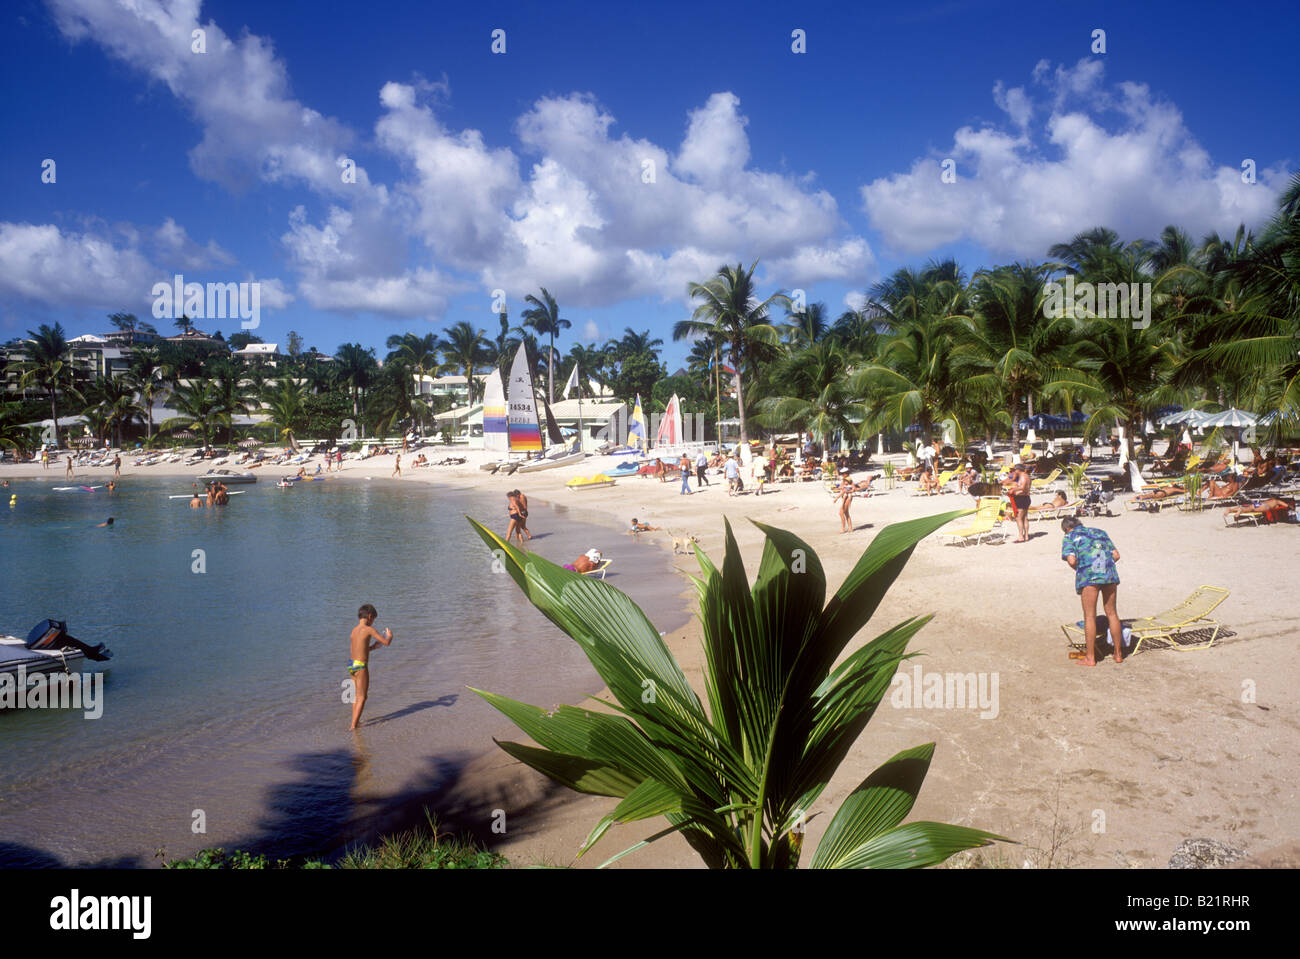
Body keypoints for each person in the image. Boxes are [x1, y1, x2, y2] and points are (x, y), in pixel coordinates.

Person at [1060, 516, 1123, 666]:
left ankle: (1090, 657)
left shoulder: (1069, 536)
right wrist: (1101, 566)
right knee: (1112, 613)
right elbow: (1116, 555)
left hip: (1089, 576)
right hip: (1109, 575)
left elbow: (1072, 561)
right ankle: (1118, 654)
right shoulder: (1100, 532)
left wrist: (1085, 569)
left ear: (1066, 529)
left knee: (1089, 616)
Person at [348, 603, 394, 730]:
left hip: (351, 664)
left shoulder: (354, 630)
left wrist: (373, 647)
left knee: (355, 696)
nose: (372, 622)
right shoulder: (369, 629)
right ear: (369, 616)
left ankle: (355, 721)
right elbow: (386, 643)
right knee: (363, 697)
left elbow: (357, 650)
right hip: (361, 666)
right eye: (373, 619)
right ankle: (353, 726)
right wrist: (390, 636)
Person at [1002, 463, 1033, 542]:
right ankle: (1026, 536)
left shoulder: (1023, 476)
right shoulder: (1027, 476)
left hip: (1021, 498)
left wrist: (1013, 490)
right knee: (1025, 518)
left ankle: (1021, 536)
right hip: (1026, 498)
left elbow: (1022, 487)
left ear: (1018, 470)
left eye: (1015, 470)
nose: (1014, 471)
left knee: (1018, 518)